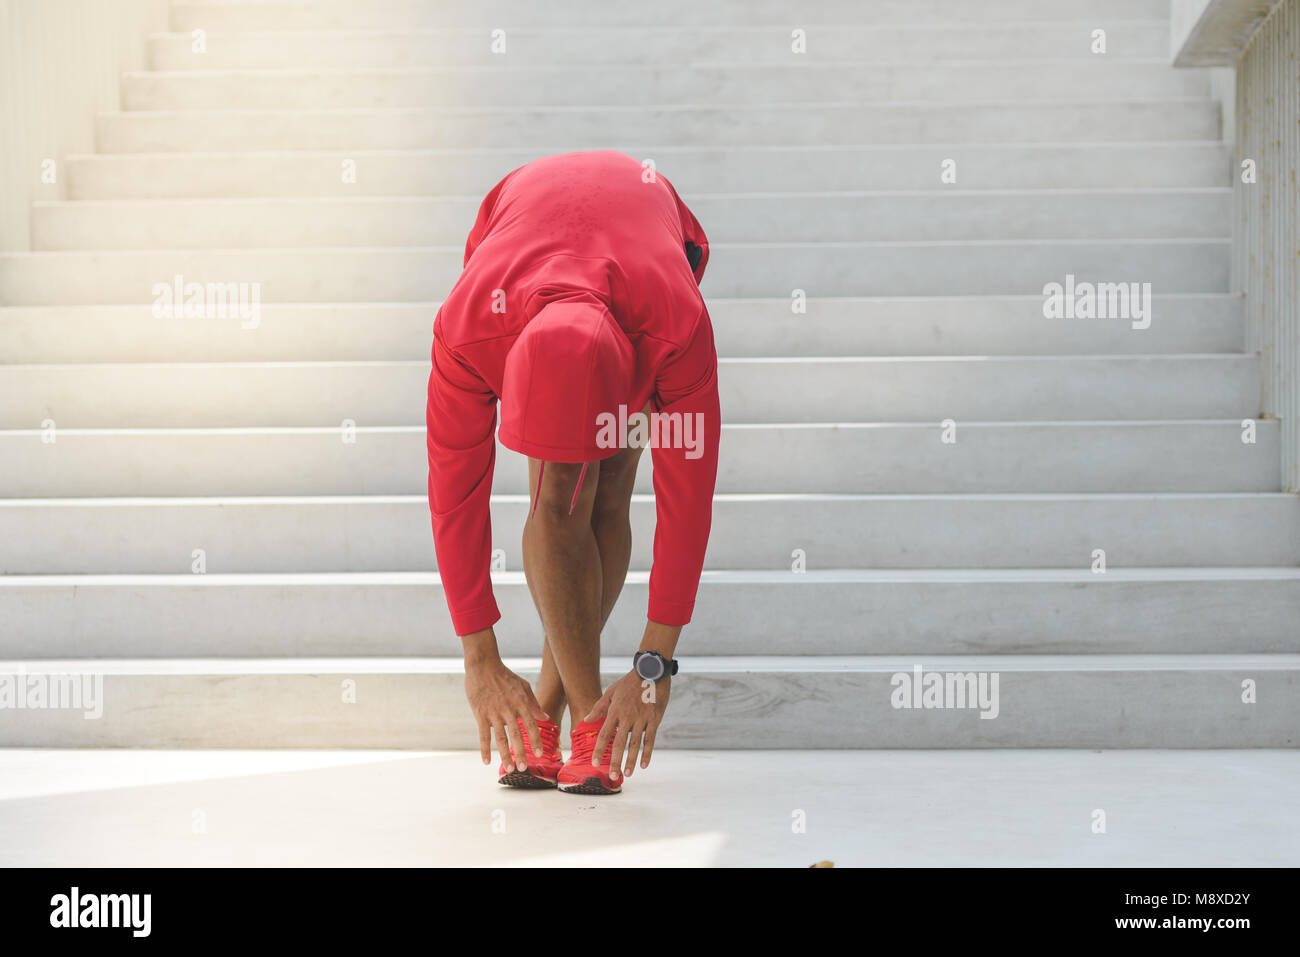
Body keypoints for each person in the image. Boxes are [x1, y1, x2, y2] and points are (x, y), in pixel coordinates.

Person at [426, 150, 720, 794]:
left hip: (650, 250)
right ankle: (589, 724)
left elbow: (687, 505)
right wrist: (480, 658)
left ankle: (572, 724)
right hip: (515, 241)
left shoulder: (677, 333)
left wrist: (653, 668)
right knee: (558, 491)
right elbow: (455, 499)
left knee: (610, 483)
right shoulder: (465, 335)